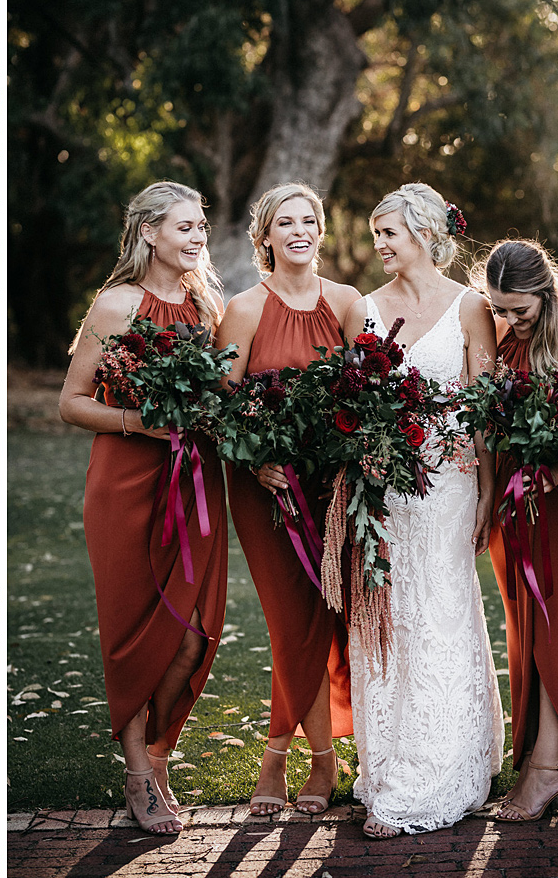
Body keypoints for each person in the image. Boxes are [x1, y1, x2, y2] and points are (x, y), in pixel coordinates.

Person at [58, 181, 229, 836]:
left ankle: (157, 754)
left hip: (194, 486)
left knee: (191, 636)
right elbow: (73, 401)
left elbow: (222, 393)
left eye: (201, 228)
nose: (196, 238)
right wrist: (142, 421)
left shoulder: (205, 303)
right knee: (131, 636)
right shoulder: (116, 304)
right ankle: (139, 775)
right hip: (127, 482)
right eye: (184, 226)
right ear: (149, 231)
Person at [340, 183, 503, 838]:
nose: (379, 244)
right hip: (385, 491)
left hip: (449, 483)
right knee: (390, 614)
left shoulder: (471, 307)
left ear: (426, 234)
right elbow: (353, 396)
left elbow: (485, 405)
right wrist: (365, 452)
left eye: (390, 233)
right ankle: (388, 763)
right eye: (376, 233)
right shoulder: (363, 308)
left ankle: (442, 768)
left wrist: (489, 486)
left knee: (441, 608)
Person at [214, 182, 360, 816]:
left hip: (333, 487)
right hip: (264, 487)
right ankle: (303, 762)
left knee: (322, 617)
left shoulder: (350, 305)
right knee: (289, 618)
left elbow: (369, 394)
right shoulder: (244, 309)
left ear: (320, 231)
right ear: (265, 238)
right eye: (285, 222)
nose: (298, 230)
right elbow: (219, 407)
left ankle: (300, 761)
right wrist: (257, 458)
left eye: (308, 220)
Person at [474, 239, 558, 821]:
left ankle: (550, 766)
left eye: (518, 310)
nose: (507, 321)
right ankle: (537, 759)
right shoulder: (506, 339)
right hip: (513, 497)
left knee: (554, 623)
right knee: (525, 627)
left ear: (545, 293)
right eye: (498, 309)